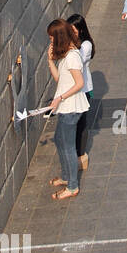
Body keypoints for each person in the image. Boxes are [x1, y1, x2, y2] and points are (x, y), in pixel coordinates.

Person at [46, 18, 89, 201]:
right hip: (65, 106)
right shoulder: (65, 54)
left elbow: (79, 83)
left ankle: (72, 186)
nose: (50, 41)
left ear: (59, 37)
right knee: (59, 140)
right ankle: (66, 176)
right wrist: (50, 62)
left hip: (71, 108)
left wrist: (60, 98)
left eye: (51, 38)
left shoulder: (72, 56)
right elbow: (60, 81)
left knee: (68, 146)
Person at [67, 12, 94, 173]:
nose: (71, 33)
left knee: (81, 123)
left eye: (74, 30)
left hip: (84, 89)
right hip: (74, 89)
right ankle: (74, 154)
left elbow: (78, 61)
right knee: (74, 124)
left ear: (80, 29)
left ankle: (80, 154)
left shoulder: (86, 45)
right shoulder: (72, 44)